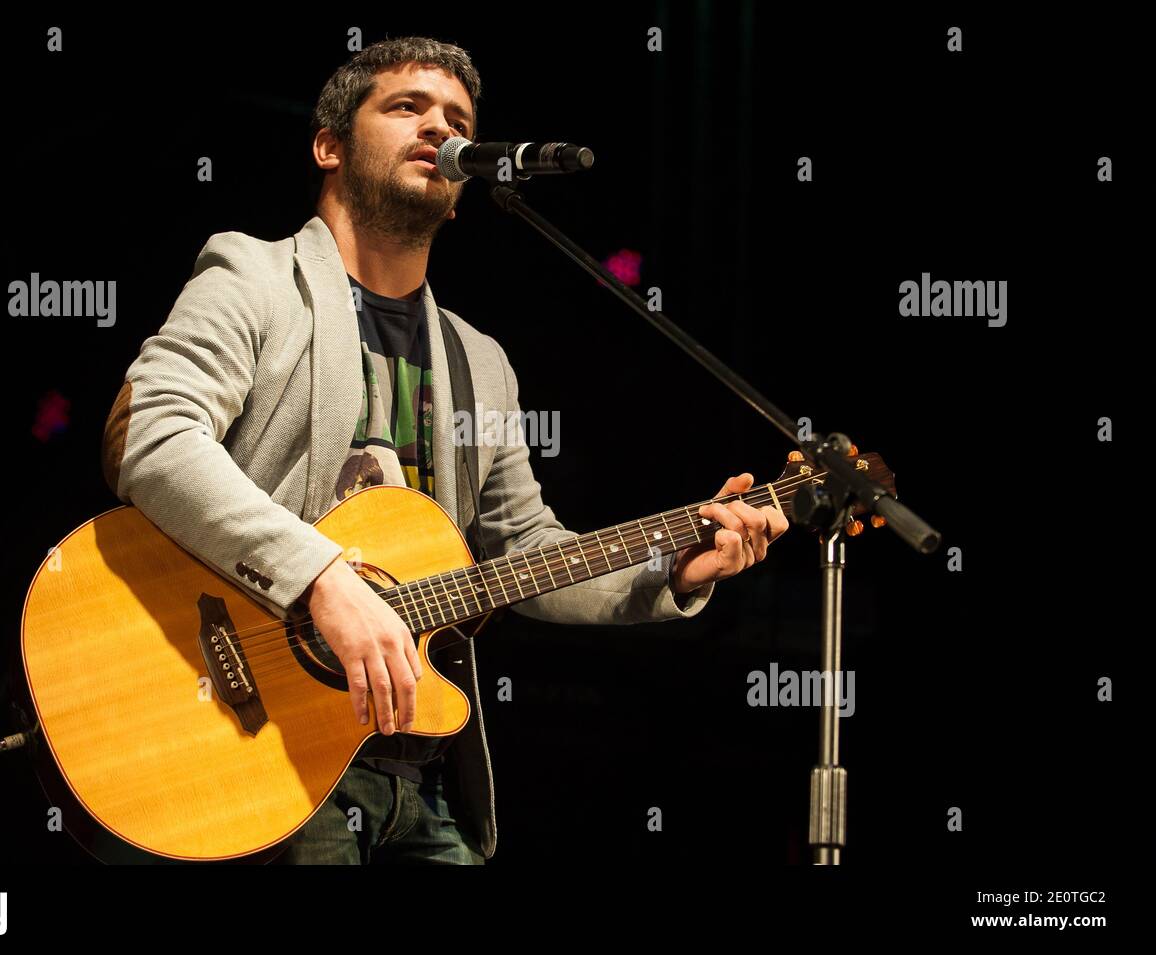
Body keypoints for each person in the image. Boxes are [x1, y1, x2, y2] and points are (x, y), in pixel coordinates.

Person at [99, 36, 789, 865]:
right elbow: (155, 437)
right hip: (262, 744)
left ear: (463, 192)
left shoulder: (482, 363)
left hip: (420, 781)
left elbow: (523, 549)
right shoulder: (251, 279)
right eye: (406, 108)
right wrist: (319, 577)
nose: (438, 128)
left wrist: (672, 568)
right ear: (329, 146)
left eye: (457, 120)